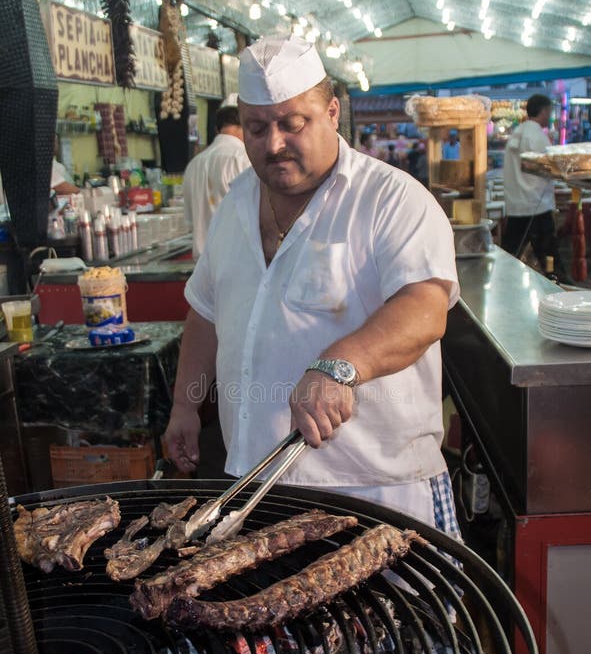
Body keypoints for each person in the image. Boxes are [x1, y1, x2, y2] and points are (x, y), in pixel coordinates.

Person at [164, 35, 462, 537]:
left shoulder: (390, 199)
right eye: (257, 128)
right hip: (256, 487)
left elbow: (424, 309)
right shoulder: (235, 203)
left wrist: (338, 366)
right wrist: (184, 406)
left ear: (331, 111)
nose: (274, 143)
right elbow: (207, 311)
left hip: (372, 491)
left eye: (291, 124)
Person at [502, 93, 566, 277]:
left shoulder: (518, 132)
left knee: (509, 255)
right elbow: (533, 165)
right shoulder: (536, 135)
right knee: (550, 259)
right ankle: (559, 290)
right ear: (544, 111)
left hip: (517, 203)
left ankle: (502, 284)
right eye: (550, 111)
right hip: (536, 204)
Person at [183, 98, 251, 258]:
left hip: (202, 265)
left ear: (217, 129)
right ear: (244, 126)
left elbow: (189, 220)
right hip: (237, 260)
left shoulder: (193, 164)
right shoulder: (243, 158)